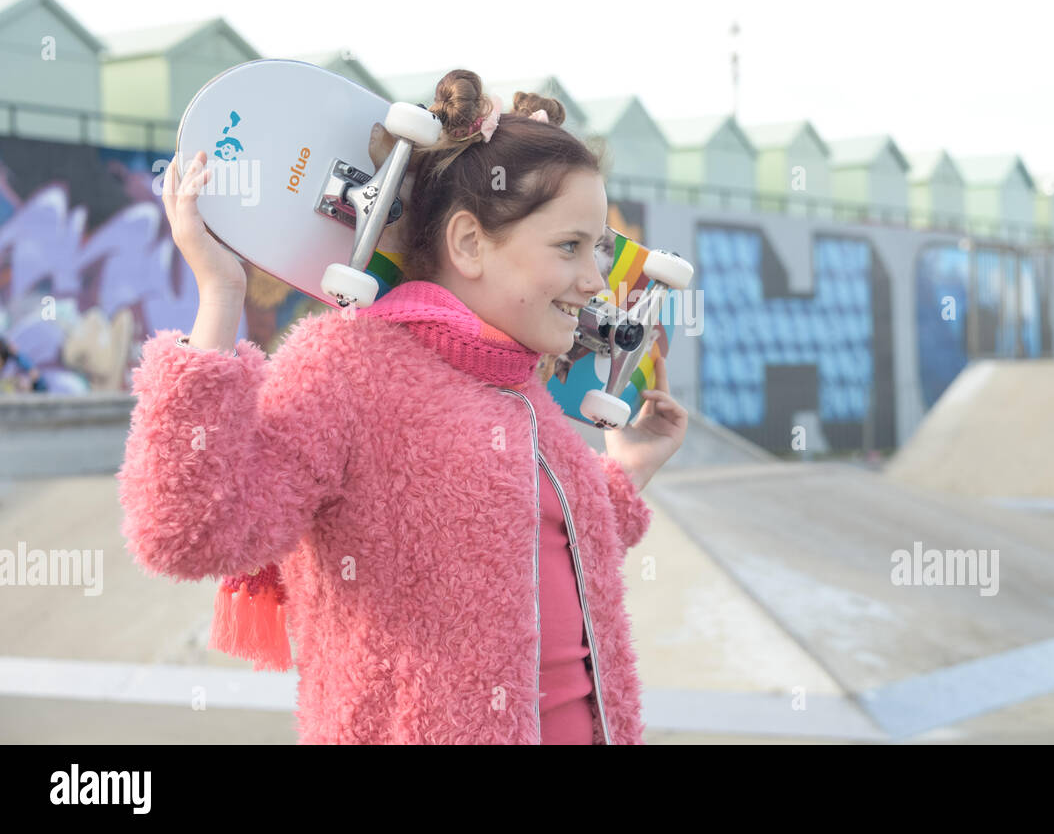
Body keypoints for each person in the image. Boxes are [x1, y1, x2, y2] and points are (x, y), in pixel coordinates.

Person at [116, 69, 688, 745]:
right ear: (470, 243)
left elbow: (528, 553)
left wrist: (626, 474)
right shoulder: (350, 368)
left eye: (596, 248)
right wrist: (219, 296)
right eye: (569, 246)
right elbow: (185, 530)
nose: (596, 280)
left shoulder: (523, 390)